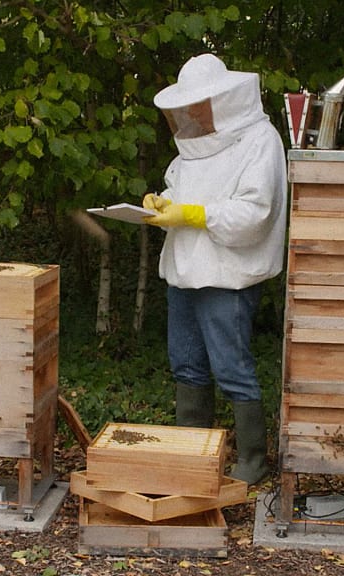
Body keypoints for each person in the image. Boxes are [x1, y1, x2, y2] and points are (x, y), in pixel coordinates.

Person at [142, 54, 287, 485]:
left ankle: (252, 461)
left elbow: (255, 213)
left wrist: (193, 214)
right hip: (184, 272)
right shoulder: (193, 147)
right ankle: (194, 457)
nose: (190, 113)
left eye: (199, 103)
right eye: (186, 105)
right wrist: (163, 202)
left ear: (224, 100)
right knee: (186, 366)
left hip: (228, 277)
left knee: (231, 370)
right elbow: (180, 190)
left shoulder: (260, 141)